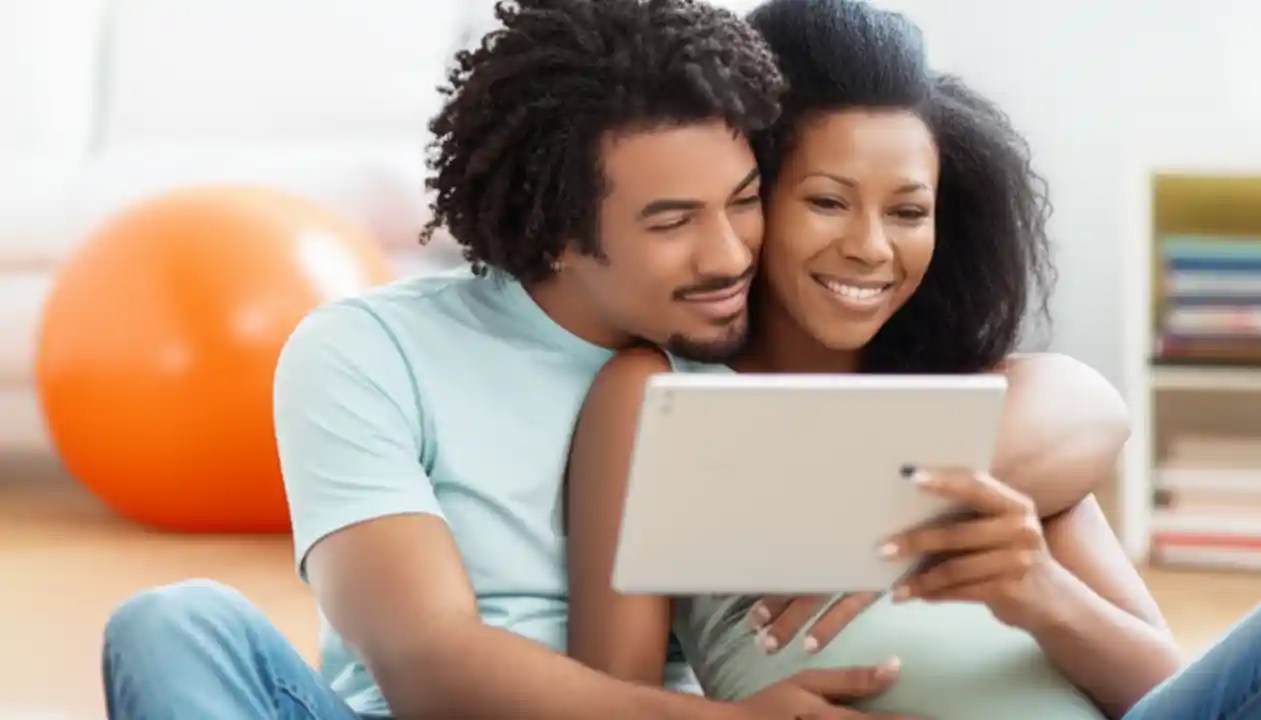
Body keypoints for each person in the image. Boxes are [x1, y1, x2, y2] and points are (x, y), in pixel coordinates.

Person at [100, 1, 1136, 719]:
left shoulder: (738, 378)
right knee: (173, 623)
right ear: (556, 232)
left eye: (740, 205)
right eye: (674, 221)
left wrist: (896, 502)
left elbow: (1074, 406)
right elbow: (428, 668)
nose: (729, 254)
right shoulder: (375, 352)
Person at [563, 1, 1194, 719]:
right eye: (828, 202)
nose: (871, 247)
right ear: (752, 199)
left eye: (907, 211)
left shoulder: (982, 419)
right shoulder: (661, 397)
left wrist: (1043, 594)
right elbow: (608, 698)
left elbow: (1182, 698)